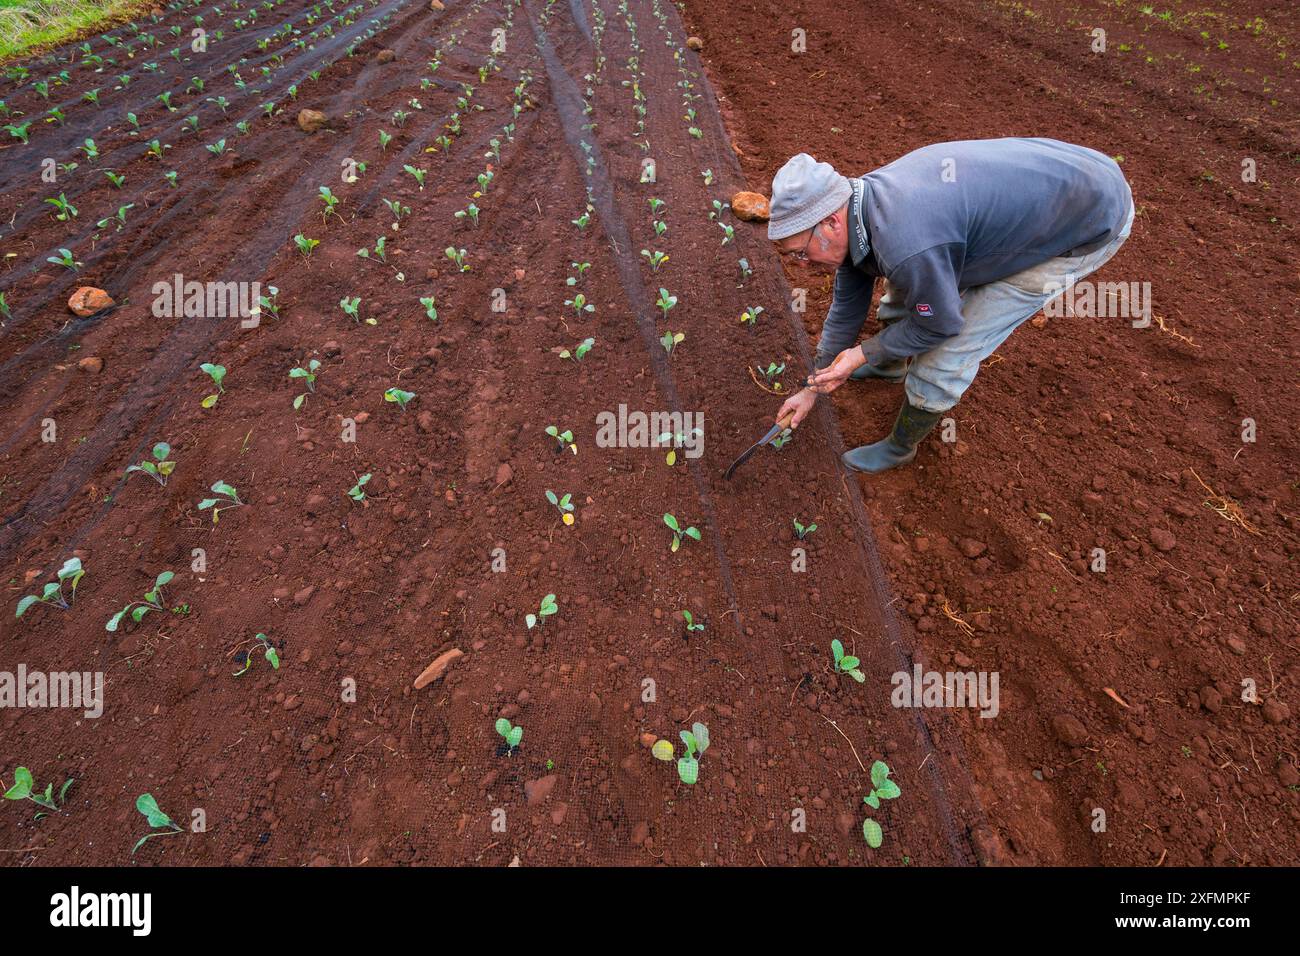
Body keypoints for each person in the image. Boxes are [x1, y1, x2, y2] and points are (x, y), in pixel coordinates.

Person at [770, 138, 1134, 472]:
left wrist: (861, 353)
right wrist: (810, 389)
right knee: (914, 284)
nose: (801, 264)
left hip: (1089, 218)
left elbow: (940, 324)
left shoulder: (907, 240)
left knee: (947, 352)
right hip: (1057, 182)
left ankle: (900, 447)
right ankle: (890, 365)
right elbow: (848, 305)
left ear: (831, 222)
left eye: (801, 252)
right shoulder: (856, 208)